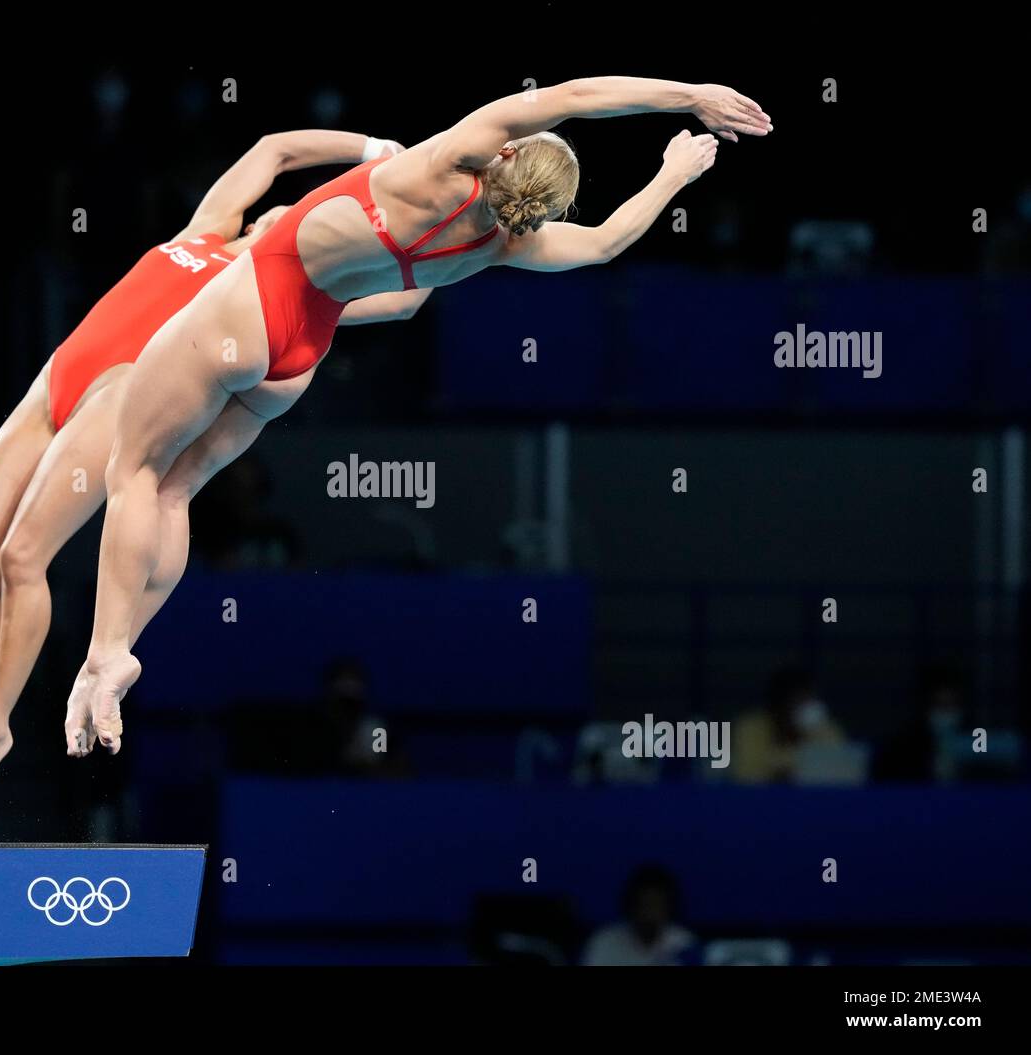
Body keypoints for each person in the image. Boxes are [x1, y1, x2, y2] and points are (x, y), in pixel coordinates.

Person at [57, 75, 770, 786]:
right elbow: (603, 244)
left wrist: (690, 93)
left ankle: (107, 649)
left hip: (254, 298)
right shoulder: (501, 246)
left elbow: (576, 95)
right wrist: (672, 174)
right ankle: (118, 658)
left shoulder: (445, 161)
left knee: (135, 471)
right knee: (178, 494)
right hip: (302, 349)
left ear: (508, 153)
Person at [0, 130, 428, 812]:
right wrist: (378, 150)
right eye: (277, 211)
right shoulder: (205, 229)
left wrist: (430, 226)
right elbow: (273, 150)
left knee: (23, 556)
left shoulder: (283, 294)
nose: (279, 214)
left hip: (113, 392)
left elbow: (407, 297)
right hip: (56, 378)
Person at [581, 864, 694, 966]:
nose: (651, 913)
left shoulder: (683, 943)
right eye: (645, 905)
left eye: (657, 905)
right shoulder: (603, 942)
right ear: (631, 906)